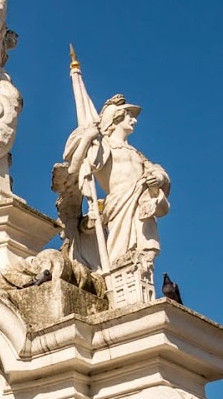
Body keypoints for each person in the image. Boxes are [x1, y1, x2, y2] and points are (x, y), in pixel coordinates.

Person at [65, 95, 170, 271]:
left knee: (146, 250)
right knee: (120, 256)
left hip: (139, 202)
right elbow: (75, 167)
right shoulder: (103, 146)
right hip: (119, 203)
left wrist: (159, 178)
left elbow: (158, 173)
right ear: (117, 118)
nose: (134, 120)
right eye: (130, 115)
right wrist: (86, 138)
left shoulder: (137, 153)